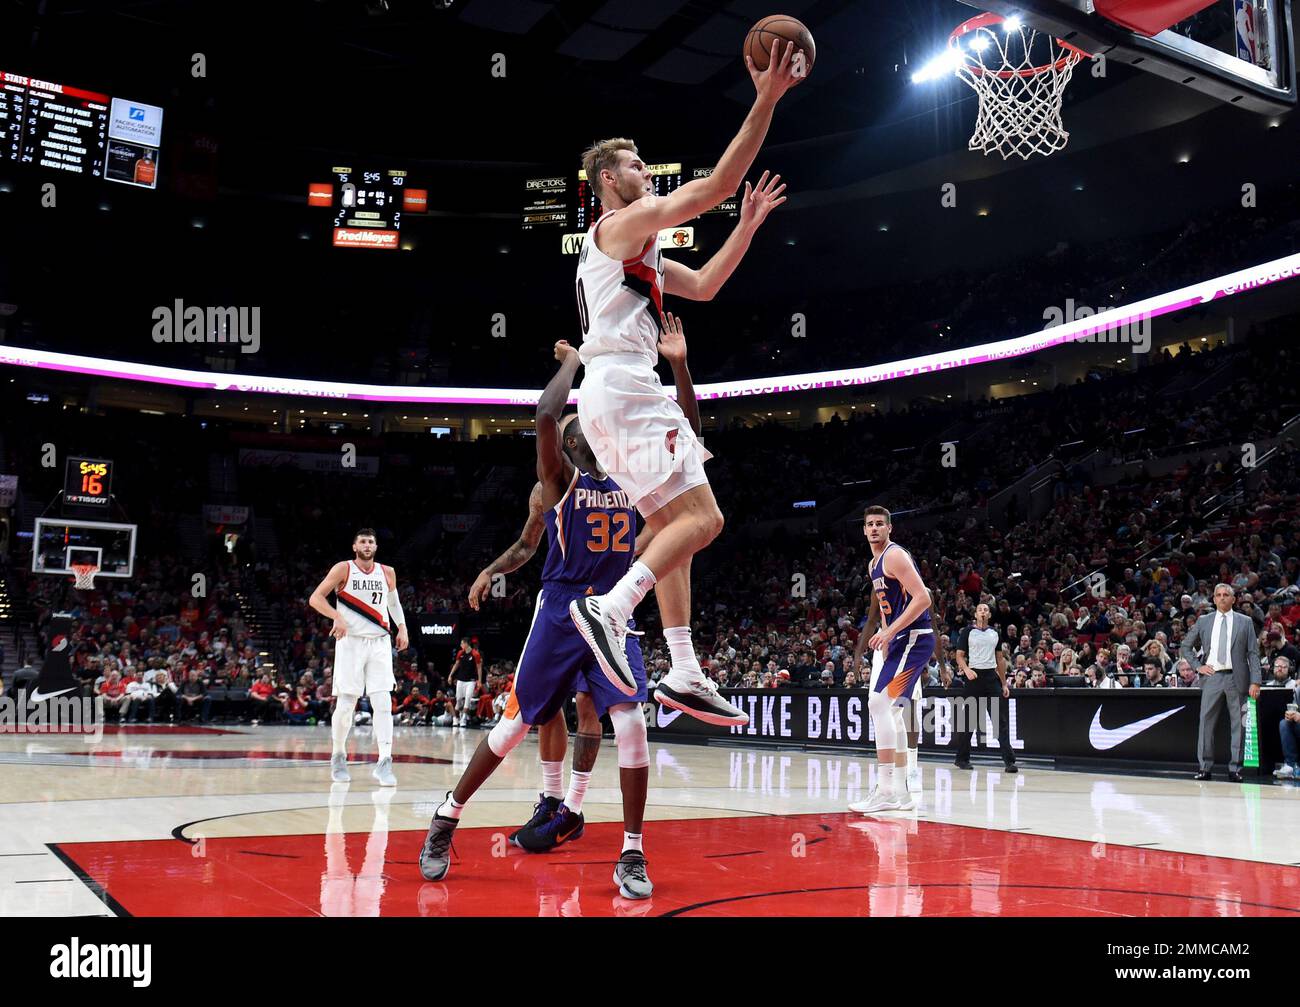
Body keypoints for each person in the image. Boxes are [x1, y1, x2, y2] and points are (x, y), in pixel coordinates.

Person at [565, 44, 800, 729]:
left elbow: (704, 285)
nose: (646, 171)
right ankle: (610, 609)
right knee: (707, 520)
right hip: (626, 388)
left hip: (609, 393)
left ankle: (685, 668)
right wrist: (768, 97)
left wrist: (748, 227)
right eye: (636, 164)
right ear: (608, 178)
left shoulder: (636, 251)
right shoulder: (620, 224)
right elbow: (714, 187)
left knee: (674, 526)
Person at [419, 337, 659, 900]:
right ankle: (446, 816)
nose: (593, 430)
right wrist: (573, 363)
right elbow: (545, 414)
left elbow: (691, 443)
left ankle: (631, 850)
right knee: (514, 725)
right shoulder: (559, 482)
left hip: (614, 610)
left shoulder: (635, 481)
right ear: (575, 442)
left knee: (630, 724)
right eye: (586, 427)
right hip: (559, 611)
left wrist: (676, 365)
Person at [848, 506, 935, 815]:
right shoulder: (873, 563)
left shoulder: (895, 556)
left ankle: (887, 790)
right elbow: (891, 608)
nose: (873, 528)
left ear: (889, 529)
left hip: (915, 638)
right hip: (900, 640)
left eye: (879, 524)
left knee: (879, 705)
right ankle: (899, 791)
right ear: (863, 530)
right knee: (890, 712)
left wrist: (890, 632)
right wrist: (888, 632)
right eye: (869, 524)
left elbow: (923, 597)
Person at [308, 529, 409, 787]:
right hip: (350, 642)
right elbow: (315, 598)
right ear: (355, 546)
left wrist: (402, 627)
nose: (367, 545)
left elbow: (393, 602)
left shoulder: (387, 572)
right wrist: (336, 616)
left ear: (376, 546)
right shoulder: (343, 569)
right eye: (363, 541)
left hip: (379, 642)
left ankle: (385, 762)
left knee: (383, 701)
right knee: (346, 704)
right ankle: (339, 755)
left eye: (371, 541)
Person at [1179, 583, 1262, 782]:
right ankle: (1205, 767)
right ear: (1214, 599)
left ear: (1233, 599)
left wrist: (1256, 681)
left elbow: (1253, 653)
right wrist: (1198, 666)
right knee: (1206, 723)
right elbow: (1186, 645)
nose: (1222, 598)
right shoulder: (1204, 620)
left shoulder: (1245, 621)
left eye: (1226, 595)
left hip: (1238, 677)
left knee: (1238, 725)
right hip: (1212, 676)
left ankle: (1235, 769)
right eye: (1218, 595)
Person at [951, 602, 1017, 772]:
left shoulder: (995, 633)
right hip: (973, 679)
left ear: (989, 615)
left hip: (990, 677)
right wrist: (966, 670)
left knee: (999, 720)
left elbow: (1000, 659)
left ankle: (1009, 761)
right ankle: (962, 759)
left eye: (985, 610)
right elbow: (959, 655)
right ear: (975, 614)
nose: (982, 612)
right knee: (969, 721)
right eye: (979, 609)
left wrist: (1003, 683)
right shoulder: (967, 632)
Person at [447, 639, 483, 728]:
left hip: (471, 681)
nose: (460, 645)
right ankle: (456, 718)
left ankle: (463, 718)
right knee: (458, 700)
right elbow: (456, 664)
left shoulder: (475, 654)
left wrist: (479, 680)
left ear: (466, 644)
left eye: (462, 643)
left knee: (467, 699)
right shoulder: (460, 653)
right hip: (460, 680)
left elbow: (479, 668)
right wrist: (450, 675)